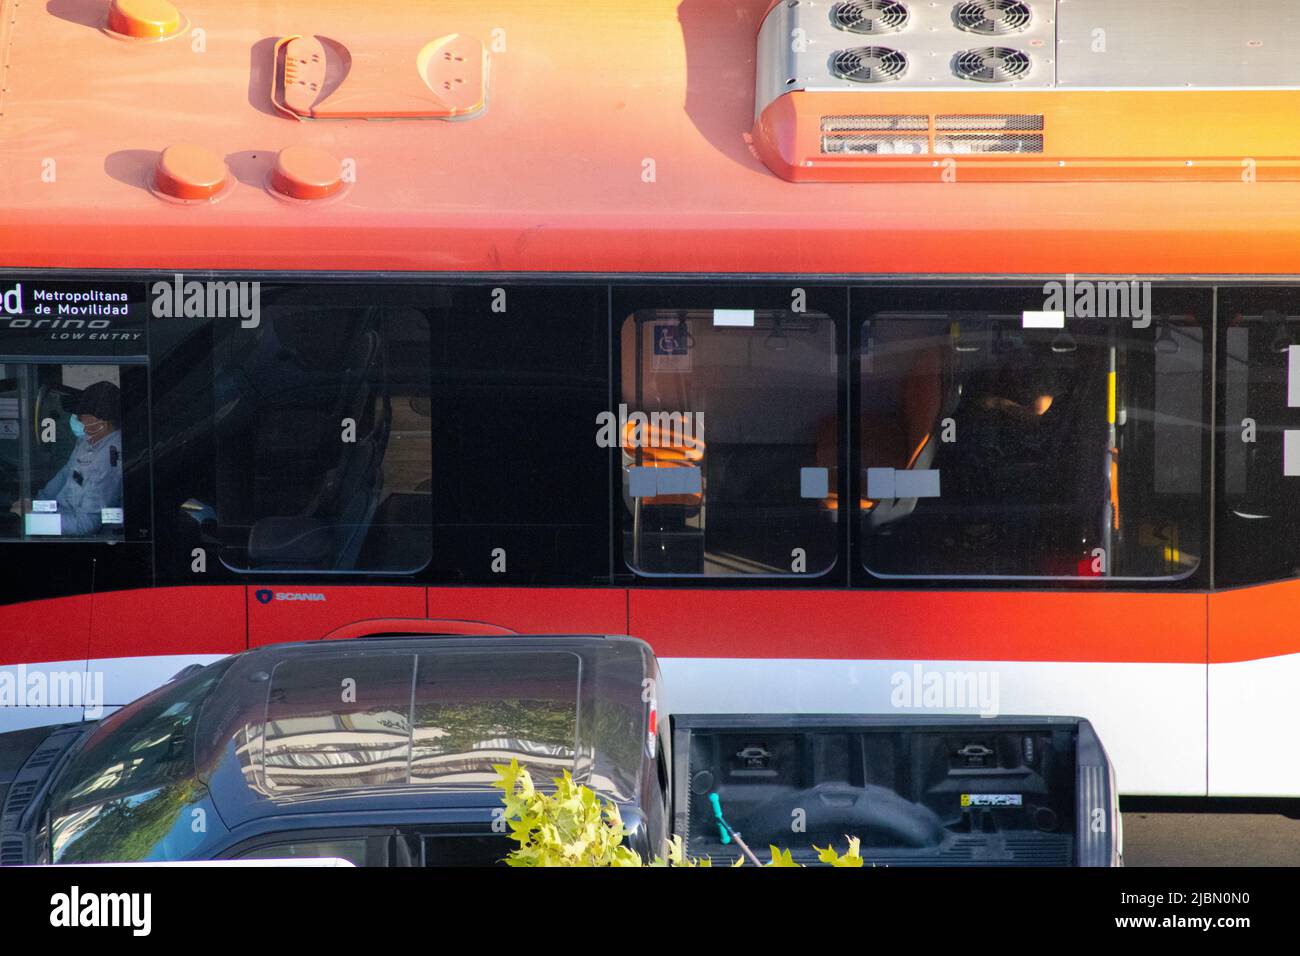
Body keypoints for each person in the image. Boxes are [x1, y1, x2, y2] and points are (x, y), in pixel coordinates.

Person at [10, 381, 123, 535]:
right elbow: (65, 474)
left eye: (82, 417)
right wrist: (35, 505)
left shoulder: (111, 461)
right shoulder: (87, 441)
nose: (78, 421)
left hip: (73, 535)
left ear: (102, 421)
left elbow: (85, 525)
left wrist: (31, 522)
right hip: (57, 514)